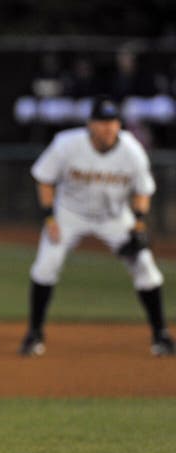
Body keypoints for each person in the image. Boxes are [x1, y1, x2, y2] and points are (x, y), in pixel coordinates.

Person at [19, 95, 175, 357]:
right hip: (69, 214)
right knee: (45, 266)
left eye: (113, 122)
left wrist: (138, 224)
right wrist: (49, 217)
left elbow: (142, 190)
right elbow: (44, 179)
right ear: (90, 124)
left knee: (145, 267)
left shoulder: (131, 150)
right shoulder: (66, 145)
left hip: (113, 216)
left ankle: (161, 335)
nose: (108, 127)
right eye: (102, 122)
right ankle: (34, 334)